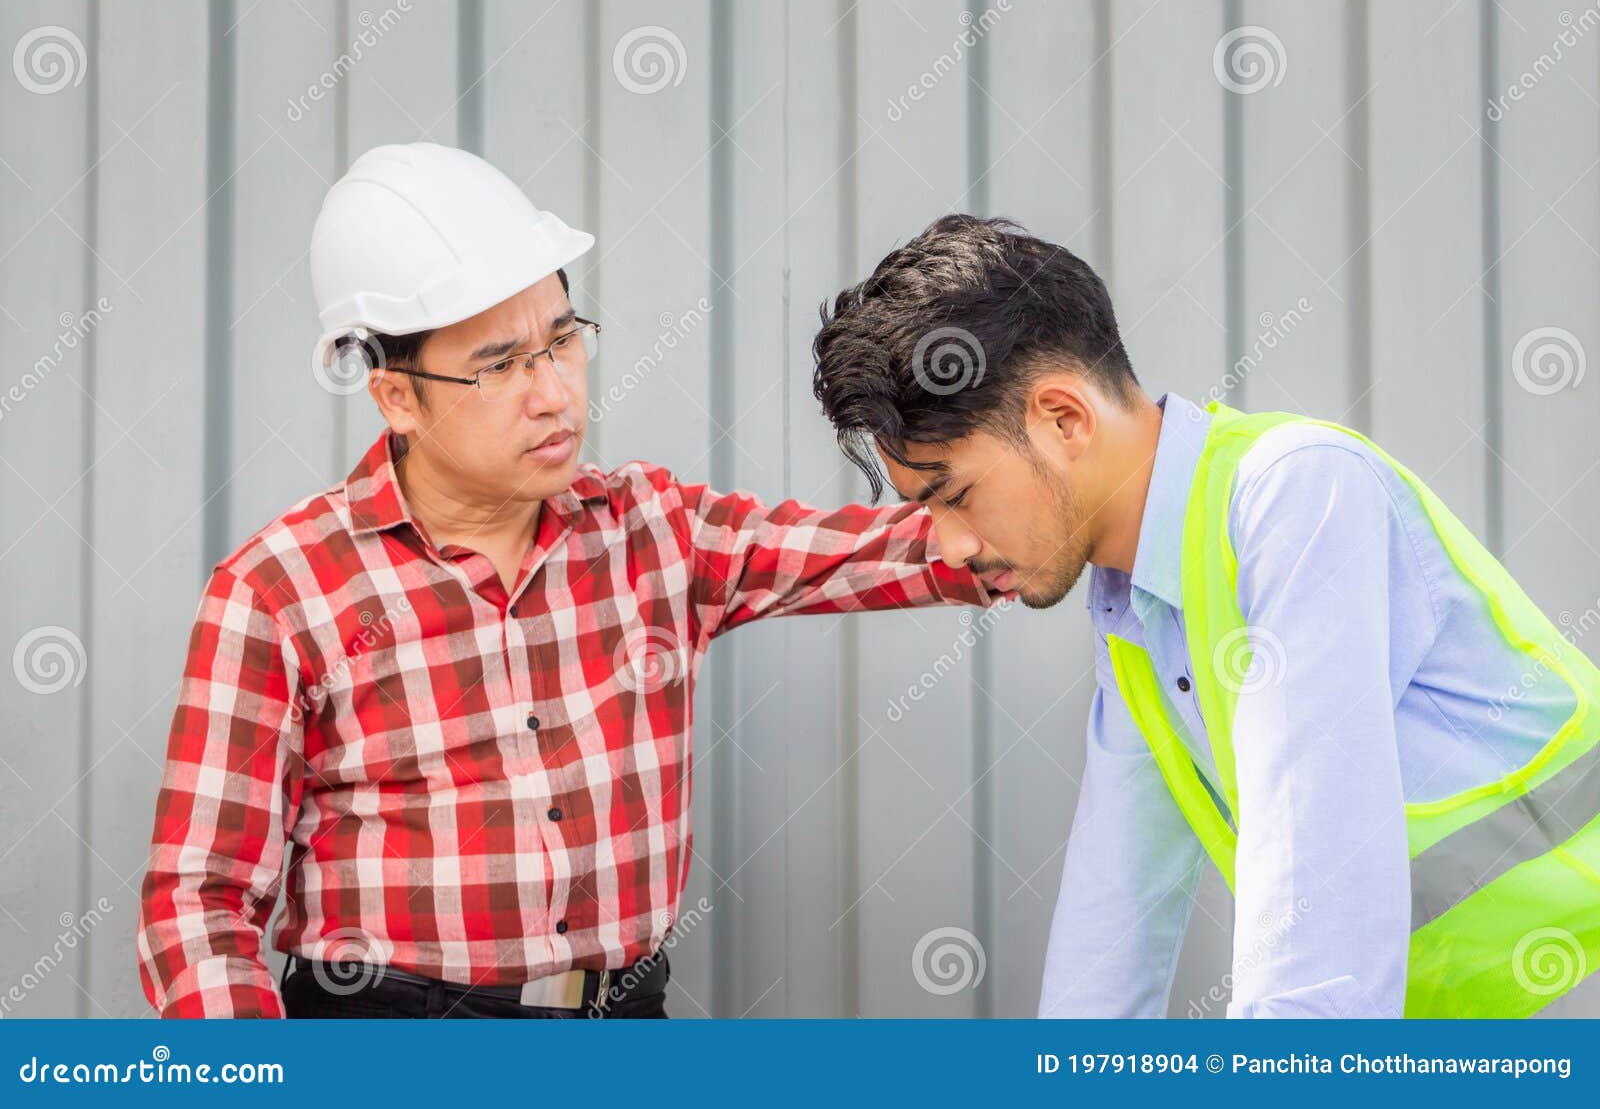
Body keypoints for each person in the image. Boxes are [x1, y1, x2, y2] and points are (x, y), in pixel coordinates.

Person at [135, 144, 1013, 1019]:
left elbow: (870, 549)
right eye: (501, 363)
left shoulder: (651, 529)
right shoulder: (281, 590)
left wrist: (1030, 512)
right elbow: (200, 900)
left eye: (563, 341)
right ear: (395, 395)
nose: (554, 393)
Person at [809, 213, 1600, 1018]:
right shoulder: (1135, 602)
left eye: (954, 494)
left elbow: (1313, 943)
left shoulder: (1296, 497)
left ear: (1062, 418)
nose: (946, 546)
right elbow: (1115, 910)